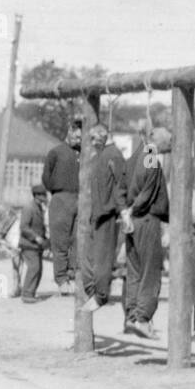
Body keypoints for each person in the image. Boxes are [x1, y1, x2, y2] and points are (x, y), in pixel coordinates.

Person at [122, 126, 171, 339]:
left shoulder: (135, 156)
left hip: (132, 219)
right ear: (155, 138)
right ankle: (142, 318)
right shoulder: (151, 155)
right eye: (168, 140)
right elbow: (148, 188)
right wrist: (133, 209)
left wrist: (126, 212)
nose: (170, 144)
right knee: (150, 272)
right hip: (146, 218)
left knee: (134, 272)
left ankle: (132, 316)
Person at [82, 124, 128, 313]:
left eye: (94, 139)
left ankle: (100, 296)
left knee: (102, 259)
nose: (92, 143)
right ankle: (92, 290)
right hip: (96, 214)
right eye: (90, 139)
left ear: (102, 137)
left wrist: (122, 211)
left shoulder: (114, 155)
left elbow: (121, 185)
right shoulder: (98, 157)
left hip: (108, 214)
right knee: (87, 258)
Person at [41, 119, 82, 295]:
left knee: (79, 240)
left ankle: (74, 275)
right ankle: (62, 279)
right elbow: (46, 178)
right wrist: (58, 192)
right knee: (60, 242)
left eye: (81, 137)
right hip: (60, 199)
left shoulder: (86, 153)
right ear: (69, 131)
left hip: (80, 199)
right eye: (76, 135)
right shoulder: (55, 152)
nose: (78, 139)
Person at [17, 184, 50, 303]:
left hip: (36, 245)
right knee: (34, 267)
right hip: (28, 244)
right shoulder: (29, 208)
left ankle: (31, 293)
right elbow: (24, 227)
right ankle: (26, 294)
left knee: (38, 269)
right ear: (36, 195)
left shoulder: (39, 207)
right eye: (43, 195)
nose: (45, 197)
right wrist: (36, 237)